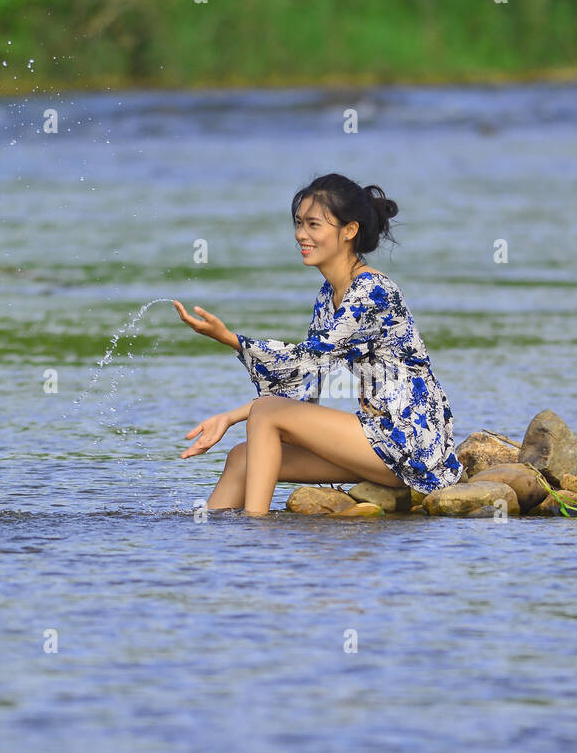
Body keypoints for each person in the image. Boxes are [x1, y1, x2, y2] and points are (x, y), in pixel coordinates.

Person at [174, 173, 464, 516]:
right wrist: (229, 417)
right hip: (378, 441)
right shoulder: (329, 295)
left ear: (349, 230)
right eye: (299, 223)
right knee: (242, 457)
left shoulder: (372, 292)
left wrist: (230, 339)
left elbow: (308, 358)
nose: (301, 235)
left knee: (266, 414)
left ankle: (255, 531)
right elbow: (307, 382)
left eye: (313, 224)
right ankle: (208, 543)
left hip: (409, 441)